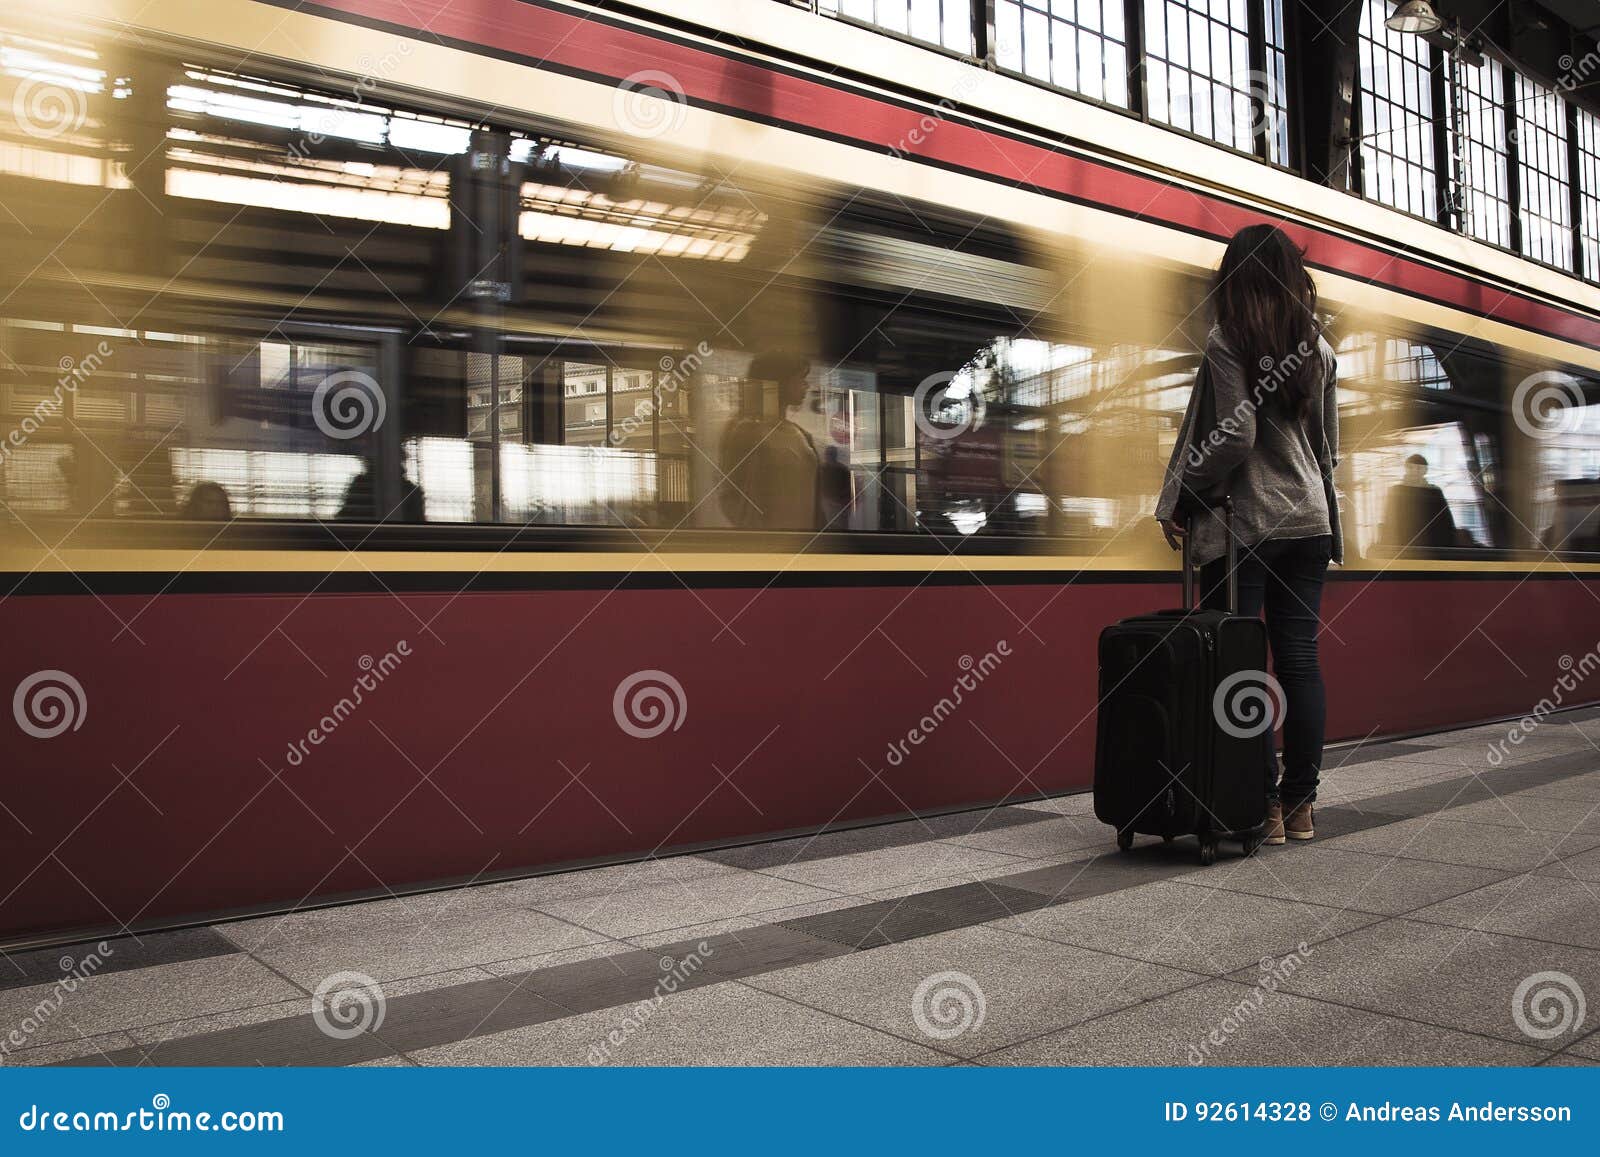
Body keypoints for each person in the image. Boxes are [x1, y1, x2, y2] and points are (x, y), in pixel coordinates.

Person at [1155, 223, 1342, 846]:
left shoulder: (1226, 338)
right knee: (1299, 661)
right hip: (1309, 519)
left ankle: (1261, 805)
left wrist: (1185, 491)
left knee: (1240, 665)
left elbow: (1233, 436)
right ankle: (1302, 807)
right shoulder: (1317, 345)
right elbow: (1329, 450)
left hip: (1249, 524)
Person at [717, 351, 820, 529]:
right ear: (781, 381)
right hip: (771, 546)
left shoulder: (802, 435)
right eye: (800, 378)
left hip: (803, 543)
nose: (806, 385)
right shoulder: (747, 432)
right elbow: (729, 495)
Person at [1380, 453, 1457, 550]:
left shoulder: (1435, 492)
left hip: (1431, 547)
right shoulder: (1395, 491)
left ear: (1425, 471)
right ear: (1406, 468)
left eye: (1419, 468)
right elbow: (1389, 521)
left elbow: (1445, 523)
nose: (1415, 471)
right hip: (1403, 547)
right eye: (1411, 468)